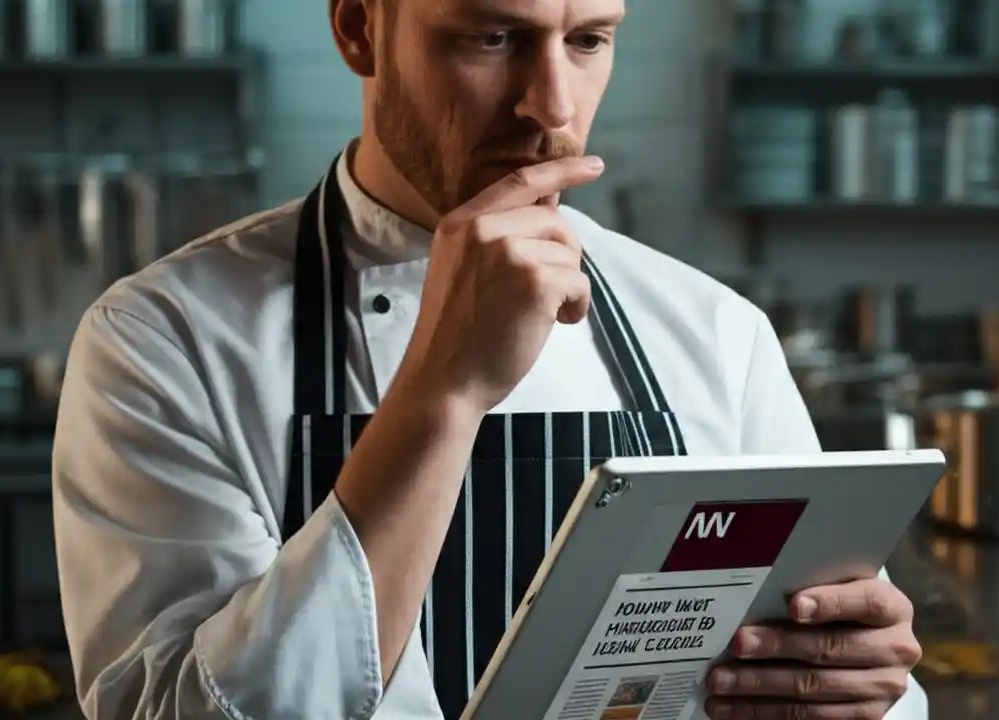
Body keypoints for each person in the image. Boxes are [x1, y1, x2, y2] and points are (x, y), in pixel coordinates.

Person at [51, 0, 926, 717]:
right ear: (359, 28)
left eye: (588, 41)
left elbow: (842, 657)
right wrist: (446, 388)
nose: (551, 105)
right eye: (492, 38)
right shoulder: (164, 339)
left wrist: (861, 688)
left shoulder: (713, 332)